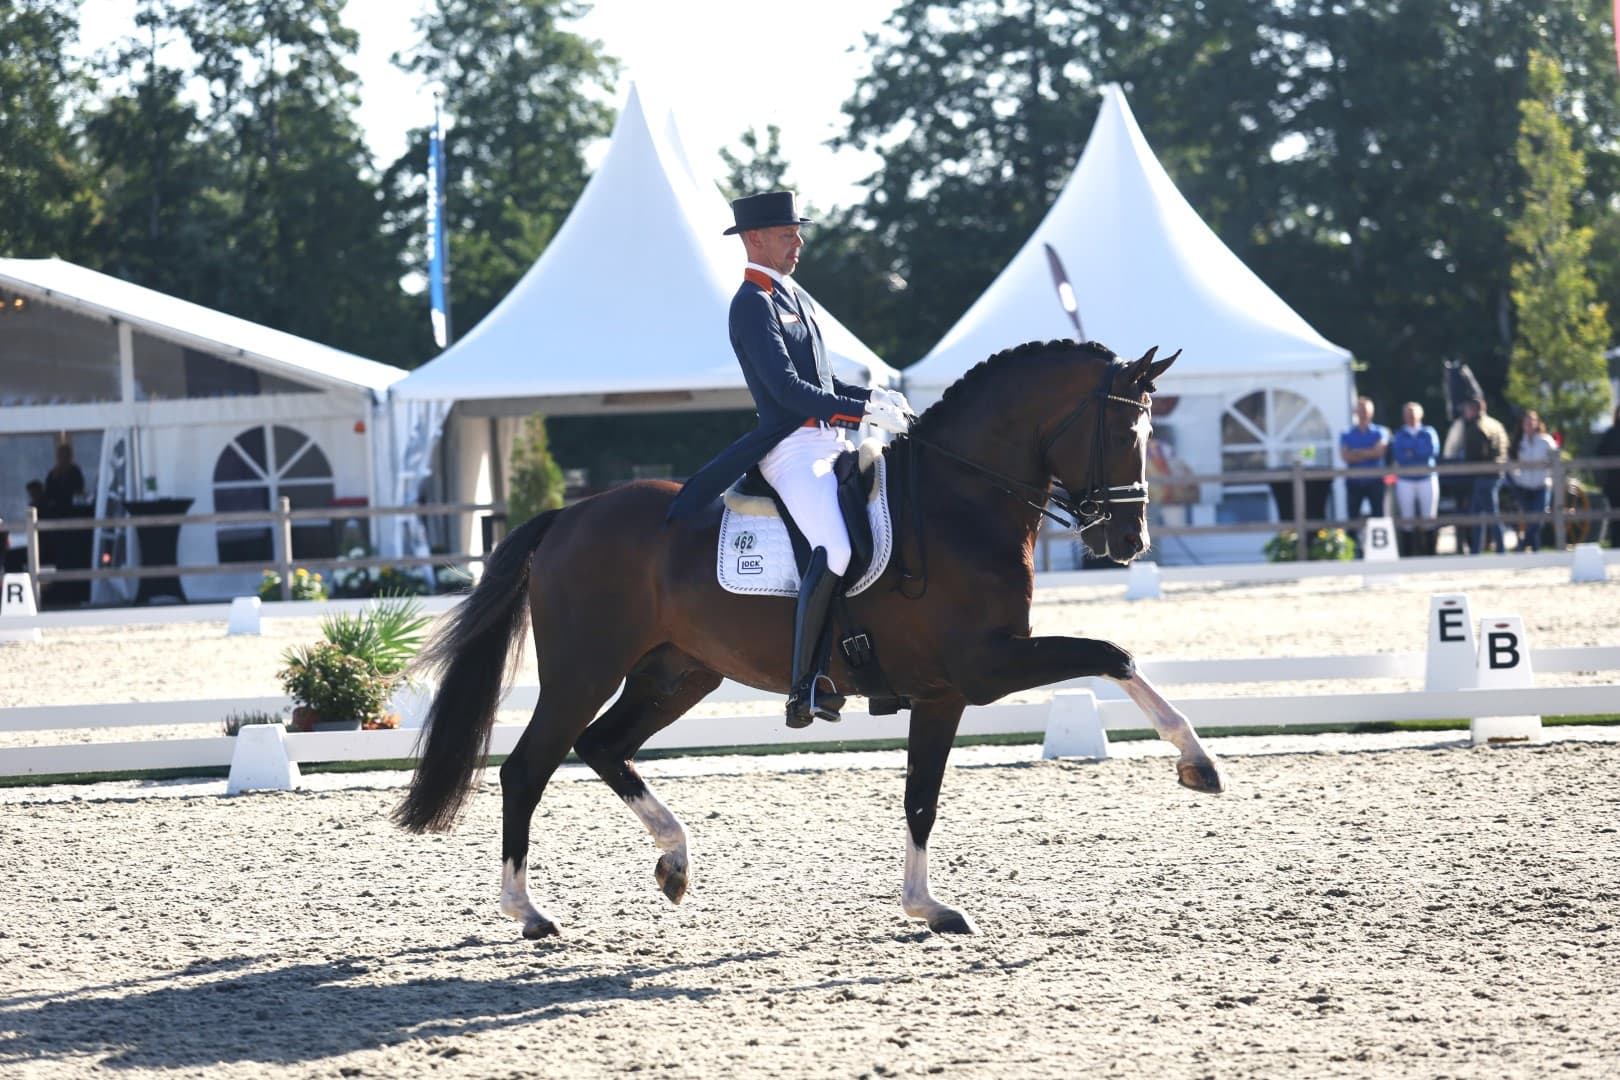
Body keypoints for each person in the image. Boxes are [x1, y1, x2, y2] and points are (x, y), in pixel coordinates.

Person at [665, 190, 912, 728]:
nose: (798, 242)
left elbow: (822, 381)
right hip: (792, 447)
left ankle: (885, 664)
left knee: (899, 524)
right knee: (838, 548)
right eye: (787, 234)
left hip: (834, 442)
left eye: (797, 232)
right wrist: (861, 406)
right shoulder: (751, 303)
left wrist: (871, 399)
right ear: (755, 240)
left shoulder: (793, 296)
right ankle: (806, 684)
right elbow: (788, 391)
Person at [1443, 395, 1510, 554]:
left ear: (1473, 409)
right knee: (1480, 512)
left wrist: (1465, 464)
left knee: (1487, 513)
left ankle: (1498, 549)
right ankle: (1478, 550)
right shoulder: (1495, 424)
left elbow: (1476, 454)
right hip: (1496, 472)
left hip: (1484, 474)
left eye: (1467, 409)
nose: (1465, 413)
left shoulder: (1476, 427)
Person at [1389, 402, 1441, 555]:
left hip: (1426, 478)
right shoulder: (1400, 434)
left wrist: (1411, 451)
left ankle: (1430, 553)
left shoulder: (1428, 432)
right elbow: (1399, 456)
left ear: (1421, 415)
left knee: (1429, 517)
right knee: (1407, 519)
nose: (1411, 416)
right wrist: (1418, 451)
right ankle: (1409, 554)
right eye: (1408, 413)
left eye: (1413, 412)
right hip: (1406, 479)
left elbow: (1432, 451)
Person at [1339, 397, 1389, 551]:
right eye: (1360, 411)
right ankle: (1351, 551)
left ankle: (1381, 550)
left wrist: (1357, 453)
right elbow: (1345, 456)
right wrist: (1369, 452)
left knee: (1378, 516)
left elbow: (1379, 452)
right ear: (1355, 412)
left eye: (1365, 411)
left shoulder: (1381, 431)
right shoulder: (1346, 433)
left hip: (1375, 481)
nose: (1362, 414)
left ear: (1371, 413)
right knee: (1352, 519)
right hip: (1354, 481)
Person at [1507, 410, 1558, 552]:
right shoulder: (1518, 442)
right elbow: (1511, 463)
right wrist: (1517, 477)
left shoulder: (1545, 441)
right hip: (1524, 486)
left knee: (1538, 519)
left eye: (1532, 421)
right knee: (1531, 520)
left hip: (1541, 485)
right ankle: (1536, 551)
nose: (1529, 424)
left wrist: (1549, 478)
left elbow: (1555, 460)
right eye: (1526, 421)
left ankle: (1523, 546)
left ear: (1537, 423)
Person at [1597, 404, 1620, 547]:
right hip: (1614, 483)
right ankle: (1615, 544)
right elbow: (1599, 452)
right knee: (1614, 516)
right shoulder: (1610, 433)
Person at [42, 442, 86, 513]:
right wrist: (55, 478)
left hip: (73, 509)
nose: (63, 459)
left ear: (70, 457)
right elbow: (48, 493)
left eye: (66, 456)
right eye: (61, 456)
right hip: (56, 509)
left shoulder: (75, 471)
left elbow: (79, 489)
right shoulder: (53, 473)